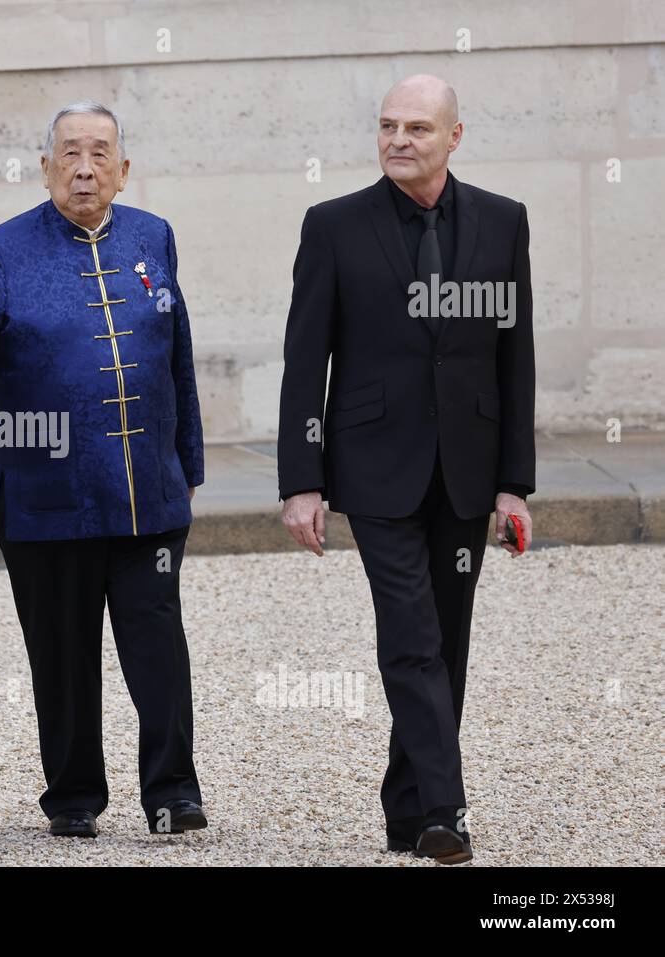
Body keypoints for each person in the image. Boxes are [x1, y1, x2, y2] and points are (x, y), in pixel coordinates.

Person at [276, 75, 536, 865]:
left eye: (417, 127)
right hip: (374, 466)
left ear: (454, 136)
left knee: (446, 643)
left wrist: (514, 482)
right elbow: (305, 360)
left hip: (468, 468)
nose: (398, 139)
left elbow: (514, 357)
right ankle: (447, 810)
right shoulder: (333, 225)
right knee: (412, 635)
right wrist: (301, 478)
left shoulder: (503, 221)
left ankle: (406, 811)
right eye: (388, 125)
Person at [0, 101, 207, 840]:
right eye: (70, 154)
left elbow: (178, 354)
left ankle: (173, 792)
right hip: (47, 498)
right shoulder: (1, 251)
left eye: (100, 154)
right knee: (61, 657)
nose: (85, 169)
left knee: (159, 652)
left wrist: (187, 460)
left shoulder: (153, 236)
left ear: (124, 170)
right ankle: (72, 796)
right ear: (45, 168)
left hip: (147, 494)